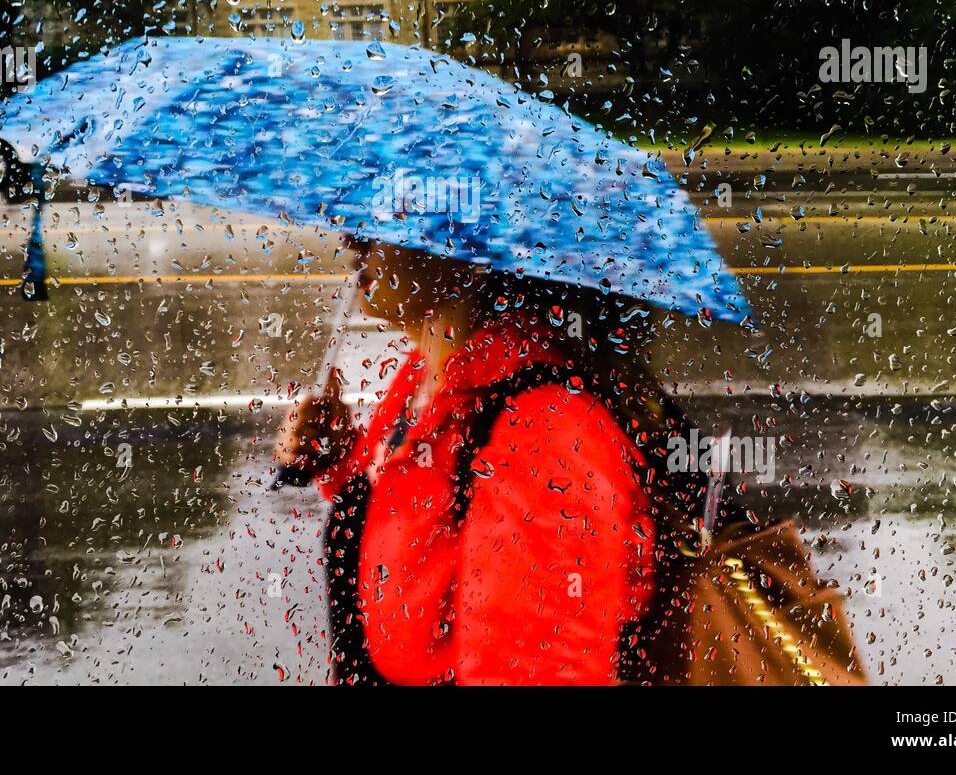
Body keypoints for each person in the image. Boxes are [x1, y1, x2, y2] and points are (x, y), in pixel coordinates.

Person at [275, 239, 690, 686]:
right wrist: (344, 468)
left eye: (389, 214)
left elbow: (536, 671)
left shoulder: (540, 434)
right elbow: (417, 544)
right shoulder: (423, 378)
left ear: (470, 253)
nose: (352, 240)